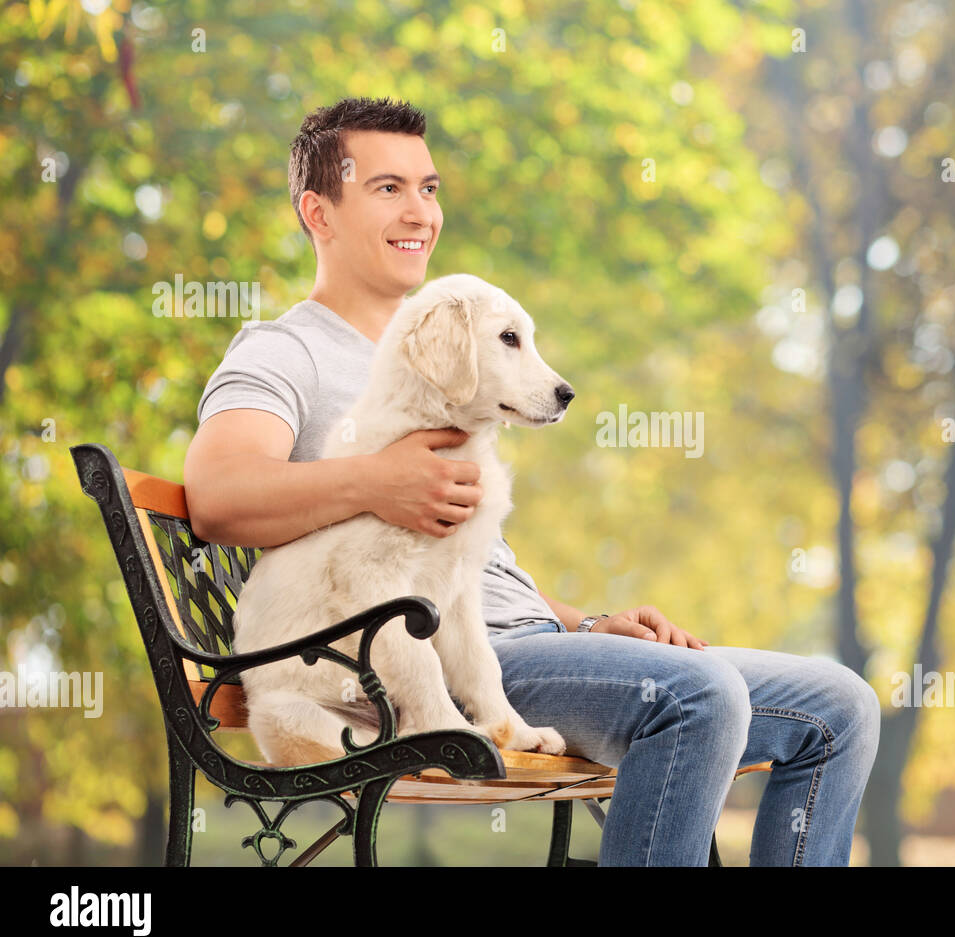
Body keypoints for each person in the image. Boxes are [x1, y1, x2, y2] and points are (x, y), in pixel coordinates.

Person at [183, 96, 880, 866]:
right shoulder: (287, 353)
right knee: (696, 698)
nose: (420, 211)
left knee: (840, 707)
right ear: (319, 213)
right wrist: (375, 481)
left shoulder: (462, 340)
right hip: (431, 662)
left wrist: (587, 625)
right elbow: (218, 496)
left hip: (525, 643)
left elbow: (470, 569)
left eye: (430, 187)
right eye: (388, 188)